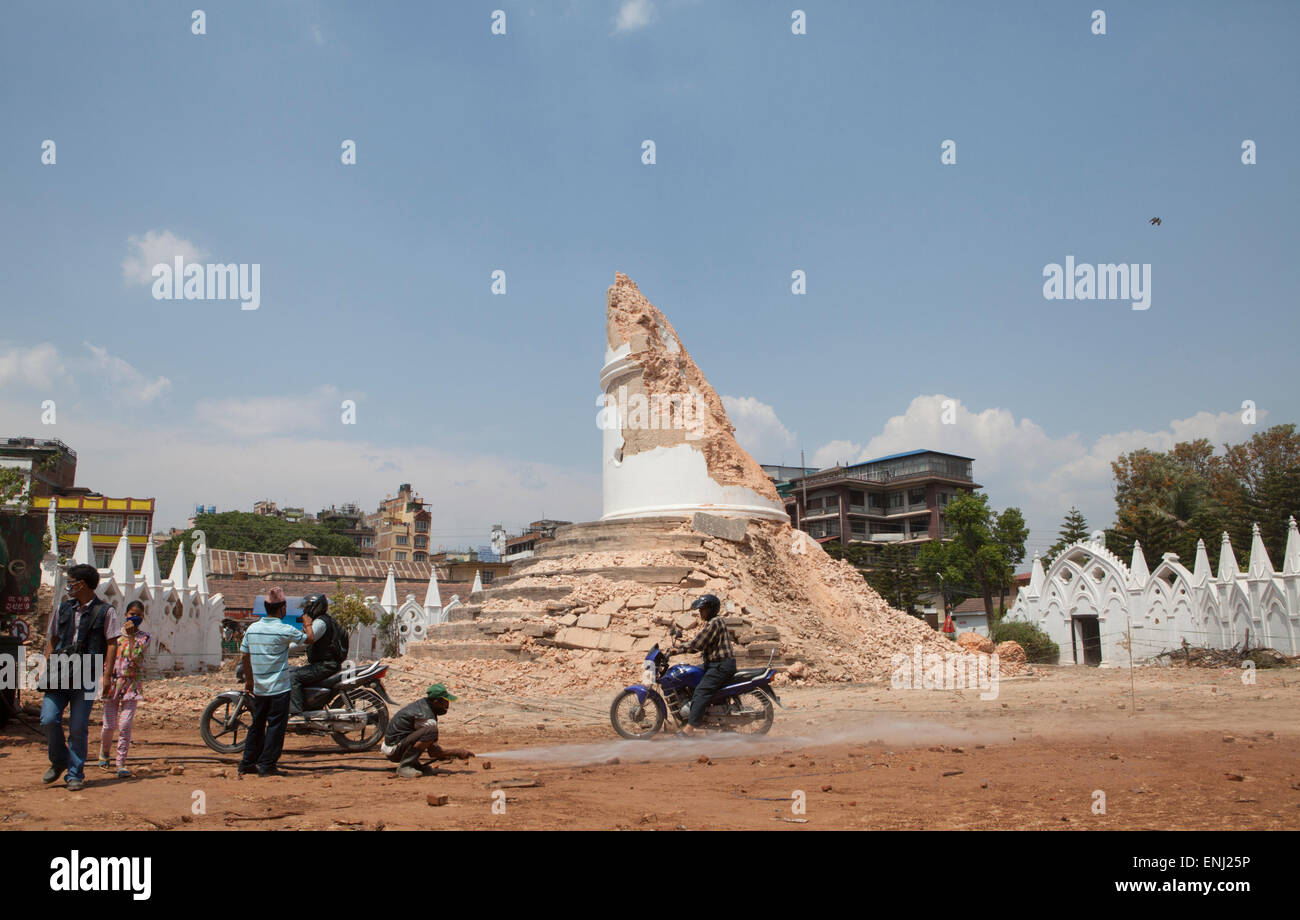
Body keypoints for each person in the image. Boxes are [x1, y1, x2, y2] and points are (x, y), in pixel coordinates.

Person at [42, 563, 120, 791]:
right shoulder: (63, 608)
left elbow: (112, 644)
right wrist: (47, 666)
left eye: (71, 582)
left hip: (86, 674)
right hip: (59, 672)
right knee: (48, 718)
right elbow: (54, 638)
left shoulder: (107, 611)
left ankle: (75, 773)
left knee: (78, 727)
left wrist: (107, 677)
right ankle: (59, 760)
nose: (69, 586)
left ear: (82, 584)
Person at [238, 587, 315, 777]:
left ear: (265, 607)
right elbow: (309, 639)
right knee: (275, 727)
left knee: (257, 725)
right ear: (282, 608)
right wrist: (307, 623)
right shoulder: (284, 629)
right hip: (279, 688)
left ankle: (247, 762)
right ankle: (267, 765)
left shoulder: (252, 629)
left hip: (260, 688)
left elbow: (245, 657)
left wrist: (249, 681)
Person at [671, 593, 736, 735]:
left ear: (711, 609)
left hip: (720, 666)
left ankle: (689, 729)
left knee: (701, 692)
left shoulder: (715, 622)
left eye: (703, 609)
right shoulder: (713, 622)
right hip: (714, 664)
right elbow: (700, 643)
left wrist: (679, 649)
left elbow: (698, 643)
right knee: (691, 676)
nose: (700, 612)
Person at [98, 600, 150, 777]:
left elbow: (135, 657)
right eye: (131, 614)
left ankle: (121, 762)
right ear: (125, 615)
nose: (135, 617)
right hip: (112, 683)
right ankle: (105, 752)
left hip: (131, 685)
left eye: (138, 615)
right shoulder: (113, 636)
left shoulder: (144, 638)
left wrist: (132, 636)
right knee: (109, 725)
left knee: (125, 725)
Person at [381, 683, 474, 778]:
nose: (447, 705)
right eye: (445, 701)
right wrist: (456, 752)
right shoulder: (427, 718)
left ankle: (414, 764)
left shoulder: (424, 704)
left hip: (395, 745)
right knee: (430, 731)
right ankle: (405, 766)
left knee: (428, 733)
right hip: (394, 751)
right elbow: (433, 753)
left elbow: (430, 747)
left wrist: (448, 754)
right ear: (436, 702)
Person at [288, 594, 346, 722]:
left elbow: (305, 641)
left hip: (325, 665)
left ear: (315, 607)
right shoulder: (325, 620)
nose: (304, 611)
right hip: (325, 664)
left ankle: (296, 714)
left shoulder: (320, 623)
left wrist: (285, 648)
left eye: (306, 608)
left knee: (293, 676)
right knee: (291, 670)